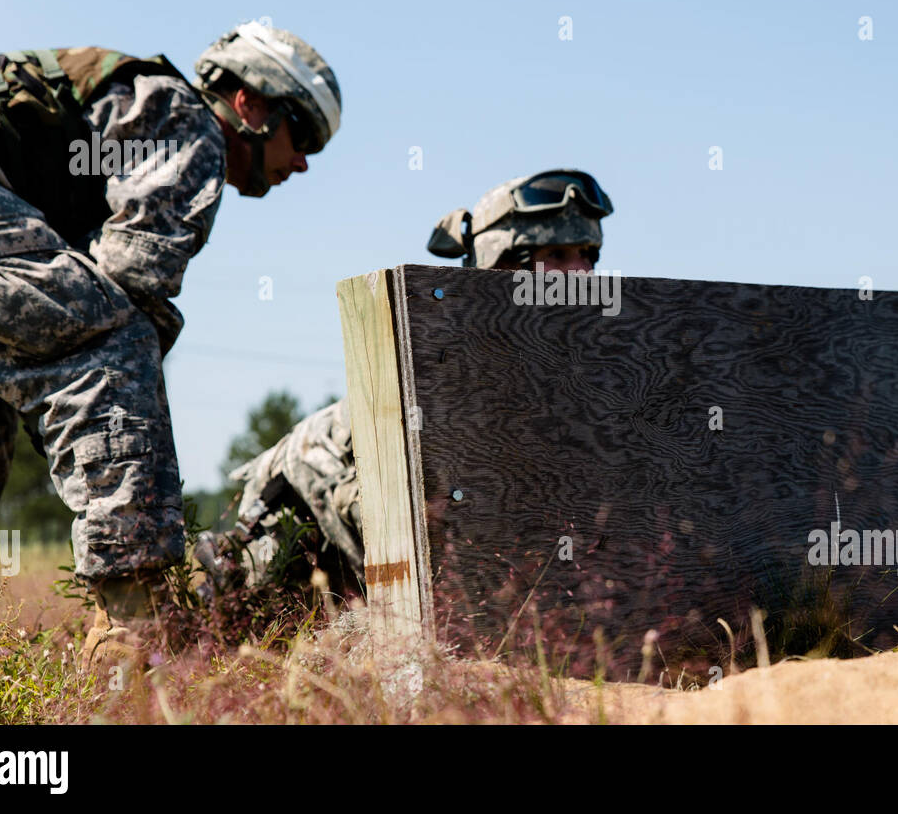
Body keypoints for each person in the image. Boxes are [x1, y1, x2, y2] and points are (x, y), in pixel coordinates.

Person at [0, 22, 342, 670]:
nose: (305, 161)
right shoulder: (189, 125)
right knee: (115, 338)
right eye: (302, 132)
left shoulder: (143, 111)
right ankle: (135, 633)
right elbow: (127, 290)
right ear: (249, 103)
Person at [197, 169, 613, 601]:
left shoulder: (579, 369)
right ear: (502, 264)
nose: (581, 272)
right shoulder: (450, 365)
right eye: (558, 254)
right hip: (305, 507)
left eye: (587, 254)